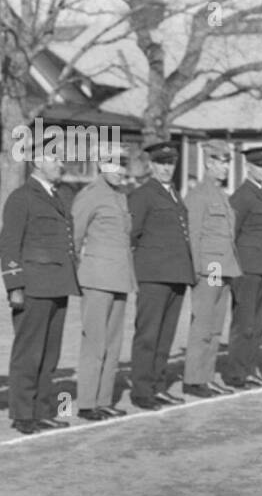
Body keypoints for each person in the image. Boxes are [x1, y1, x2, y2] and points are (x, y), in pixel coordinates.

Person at [0, 141, 80, 433]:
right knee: (28, 353)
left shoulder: (57, 196)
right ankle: (22, 414)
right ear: (36, 161)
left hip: (57, 285)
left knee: (49, 353)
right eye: (55, 158)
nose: (61, 164)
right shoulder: (22, 198)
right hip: (33, 286)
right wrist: (14, 285)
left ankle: (43, 409)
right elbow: (8, 245)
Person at [127, 141, 196, 409]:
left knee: (165, 335)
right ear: (152, 165)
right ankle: (142, 391)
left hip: (176, 274)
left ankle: (157, 384)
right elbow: (131, 233)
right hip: (153, 275)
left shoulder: (174, 194)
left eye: (170, 164)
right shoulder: (144, 194)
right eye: (161, 164)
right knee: (148, 335)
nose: (166, 168)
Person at [71, 143, 136, 421]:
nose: (120, 170)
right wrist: (81, 274)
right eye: (114, 164)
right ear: (100, 164)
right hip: (97, 278)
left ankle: (104, 399)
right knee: (94, 343)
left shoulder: (121, 197)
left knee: (113, 343)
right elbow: (73, 238)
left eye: (123, 164)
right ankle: (87, 403)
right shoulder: (90, 195)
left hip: (120, 278)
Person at [184, 140, 242, 396]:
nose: (226, 167)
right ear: (209, 163)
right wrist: (196, 271)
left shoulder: (222, 195)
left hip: (223, 267)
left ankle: (205, 377)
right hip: (209, 269)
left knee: (216, 327)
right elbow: (194, 234)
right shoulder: (198, 195)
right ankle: (194, 378)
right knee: (203, 325)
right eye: (221, 162)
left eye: (228, 162)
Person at [226, 146, 262, 387]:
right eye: (260, 166)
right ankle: (237, 373)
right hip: (247, 271)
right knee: (244, 325)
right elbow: (231, 236)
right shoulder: (242, 196)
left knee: (257, 326)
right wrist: (232, 273)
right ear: (248, 167)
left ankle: (249, 369)